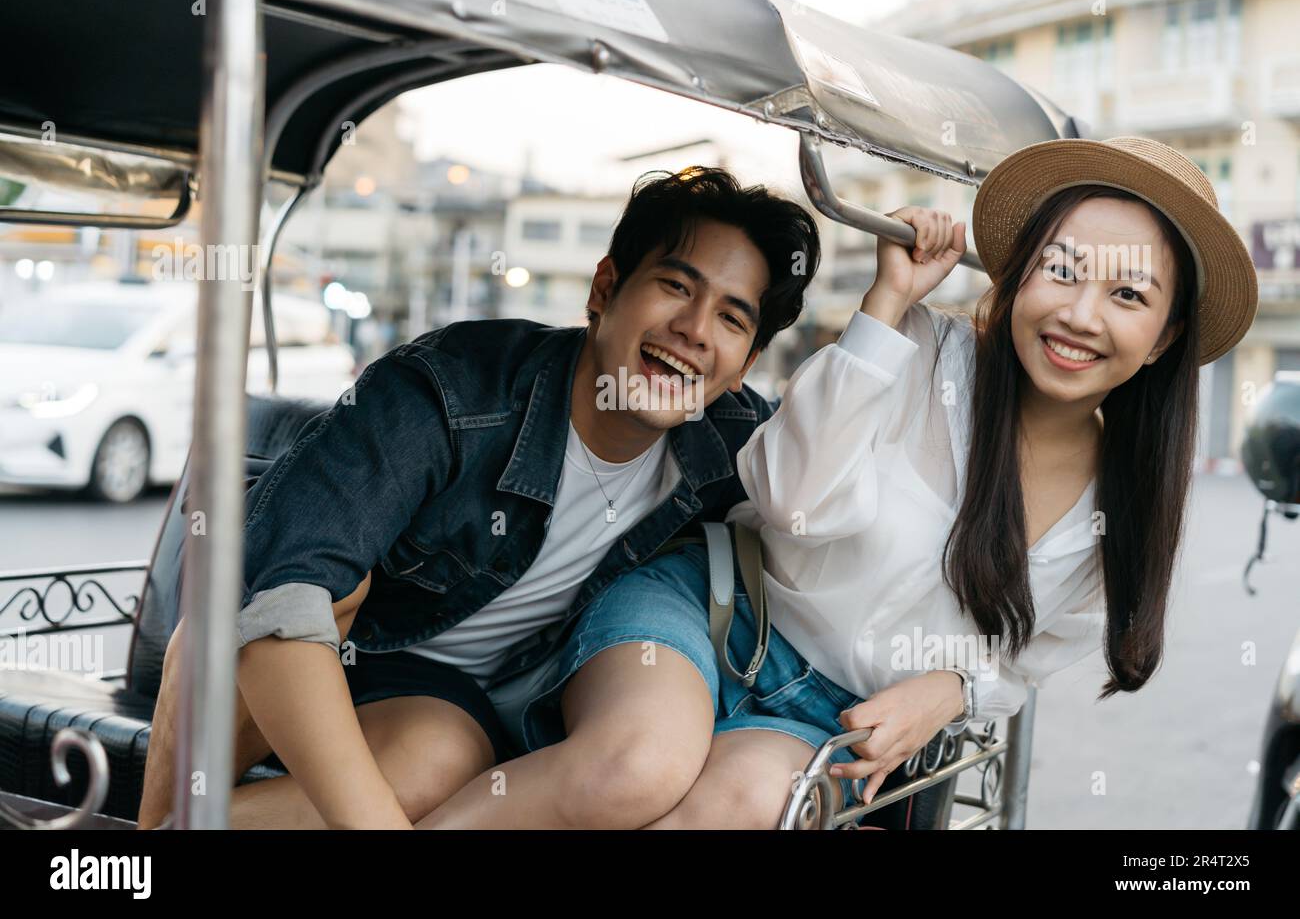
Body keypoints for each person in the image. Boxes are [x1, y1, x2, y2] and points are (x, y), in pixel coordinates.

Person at [428, 135, 1256, 830]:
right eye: (1061, 270)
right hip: (716, 611)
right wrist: (886, 305)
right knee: (635, 765)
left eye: (1126, 294)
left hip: (833, 715)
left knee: (732, 805)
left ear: (1162, 337)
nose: (1080, 314)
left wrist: (955, 687)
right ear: (1013, 281)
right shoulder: (918, 353)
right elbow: (786, 497)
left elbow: (1028, 660)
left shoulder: (1124, 507)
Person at [135, 166, 820, 829]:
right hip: (308, 645)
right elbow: (282, 594)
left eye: (732, 320)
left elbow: (869, 525)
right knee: (274, 602)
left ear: (746, 366)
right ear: (605, 288)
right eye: (675, 285)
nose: (695, 330)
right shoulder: (450, 392)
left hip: (440, 699)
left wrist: (929, 686)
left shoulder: (740, 447)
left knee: (440, 759)